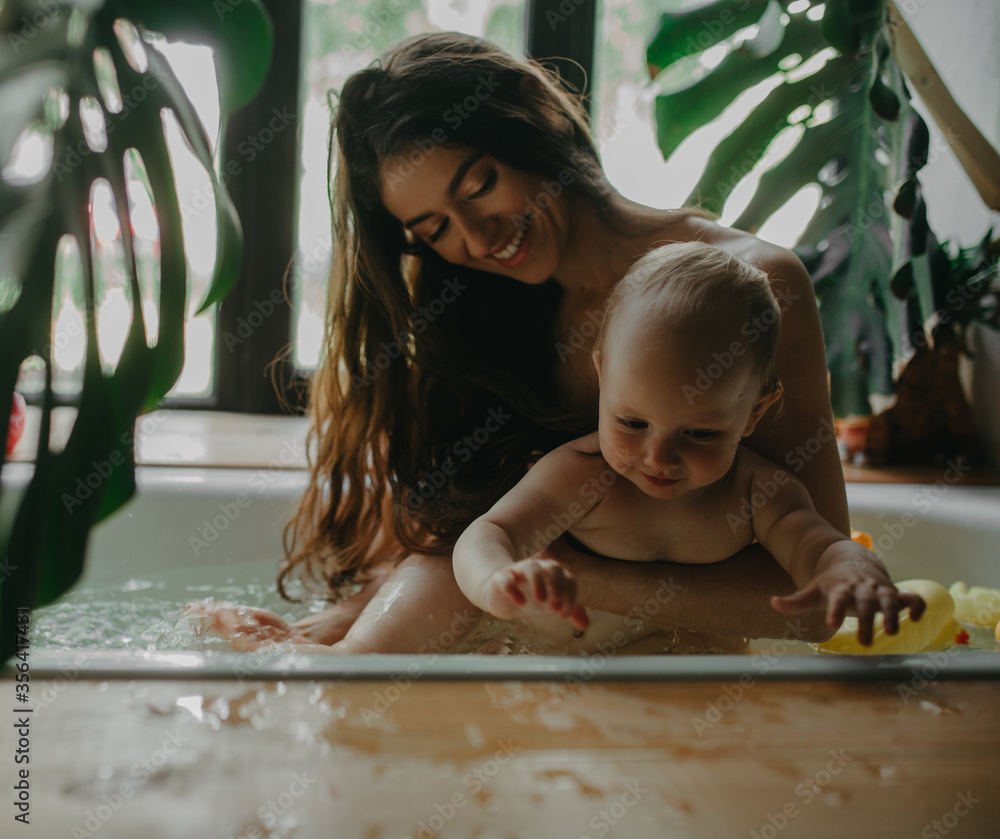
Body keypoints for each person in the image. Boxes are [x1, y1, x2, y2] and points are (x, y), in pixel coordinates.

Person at [188, 31, 857, 653]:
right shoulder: (480, 312)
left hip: (666, 649)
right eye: (435, 228)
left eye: (479, 184)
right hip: (529, 628)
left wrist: (573, 576)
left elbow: (815, 605)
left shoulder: (752, 289)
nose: (479, 239)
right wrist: (343, 624)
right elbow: (463, 533)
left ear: (540, 116)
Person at [452, 242, 925, 645]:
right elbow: (488, 534)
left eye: (700, 433)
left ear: (753, 414)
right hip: (573, 675)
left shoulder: (759, 494)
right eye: (631, 422)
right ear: (603, 378)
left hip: (703, 685)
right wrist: (497, 579)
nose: (658, 457)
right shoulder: (583, 475)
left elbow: (820, 550)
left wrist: (855, 572)